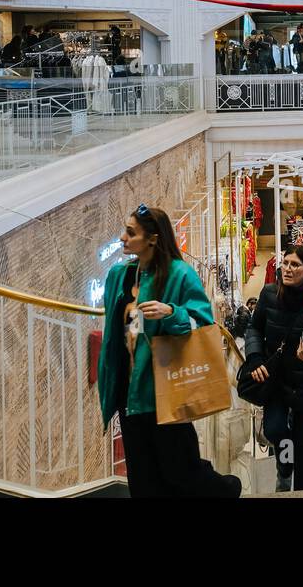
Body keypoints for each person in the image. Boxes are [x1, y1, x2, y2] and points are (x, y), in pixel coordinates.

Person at [96, 204, 242, 498]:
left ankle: (225, 490)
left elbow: (203, 323)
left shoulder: (180, 275)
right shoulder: (119, 276)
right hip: (128, 392)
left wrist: (171, 313)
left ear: (153, 239)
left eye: (131, 232)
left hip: (166, 389)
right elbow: (116, 332)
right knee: (142, 479)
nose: (123, 238)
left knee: (181, 471)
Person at [245, 245, 303, 492]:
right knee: (275, 430)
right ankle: (285, 465)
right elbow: (254, 328)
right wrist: (255, 358)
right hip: (277, 379)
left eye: (295, 265)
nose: (287, 269)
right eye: (285, 263)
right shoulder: (269, 294)